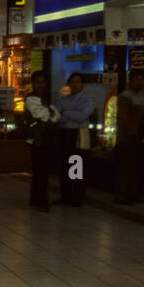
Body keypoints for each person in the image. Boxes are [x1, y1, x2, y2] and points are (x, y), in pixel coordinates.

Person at [56, 72, 94, 206]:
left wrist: (65, 113)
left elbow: (82, 116)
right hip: (65, 134)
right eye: (72, 82)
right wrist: (71, 114)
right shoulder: (63, 99)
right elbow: (56, 115)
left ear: (82, 85)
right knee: (65, 165)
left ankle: (77, 197)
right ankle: (65, 195)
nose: (75, 85)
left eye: (78, 82)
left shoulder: (87, 99)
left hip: (79, 134)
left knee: (77, 166)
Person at [25, 70, 60, 212]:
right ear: (33, 83)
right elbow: (44, 115)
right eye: (37, 82)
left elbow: (56, 116)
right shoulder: (31, 98)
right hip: (38, 139)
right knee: (41, 170)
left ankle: (35, 198)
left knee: (40, 170)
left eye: (42, 82)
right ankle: (42, 200)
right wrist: (49, 111)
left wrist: (49, 112)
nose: (40, 85)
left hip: (45, 137)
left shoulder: (45, 98)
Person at [113, 69, 144, 205]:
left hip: (137, 137)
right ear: (130, 80)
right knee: (124, 167)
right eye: (136, 79)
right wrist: (132, 129)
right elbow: (123, 116)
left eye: (141, 80)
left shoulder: (142, 97)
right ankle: (121, 195)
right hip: (127, 137)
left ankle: (133, 193)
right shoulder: (126, 96)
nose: (139, 83)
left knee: (135, 167)